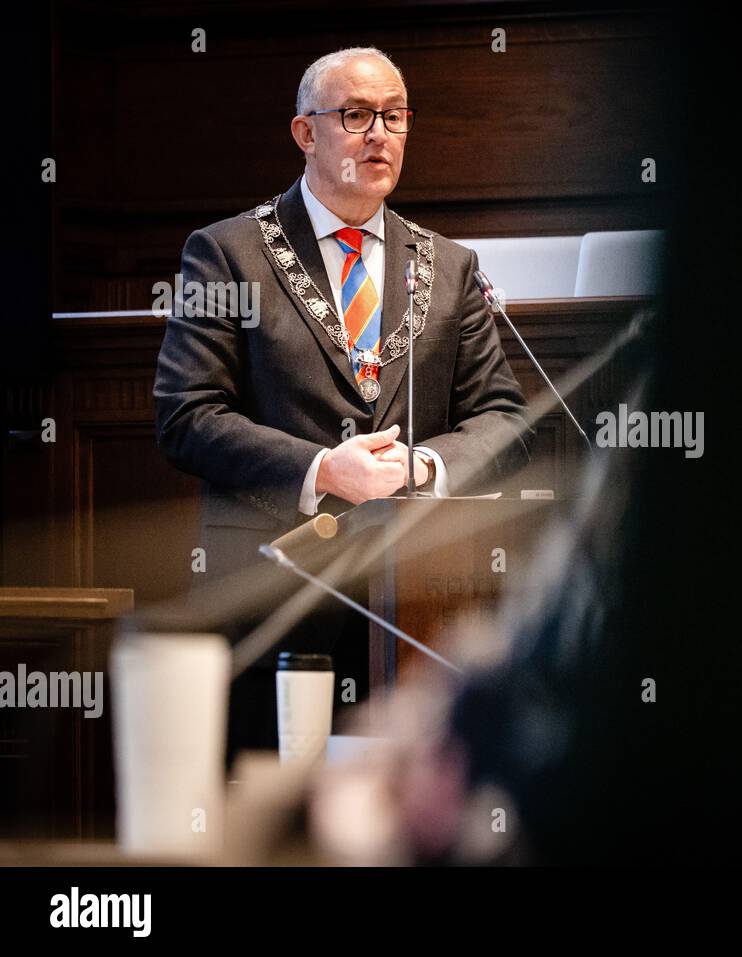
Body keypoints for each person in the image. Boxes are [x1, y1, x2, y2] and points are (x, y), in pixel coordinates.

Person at [152, 47, 532, 762]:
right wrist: (325, 469)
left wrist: (421, 467)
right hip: (271, 610)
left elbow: (506, 418)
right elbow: (186, 416)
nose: (379, 133)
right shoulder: (227, 254)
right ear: (305, 133)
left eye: (394, 115)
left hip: (417, 619)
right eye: (356, 115)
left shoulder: (449, 268)